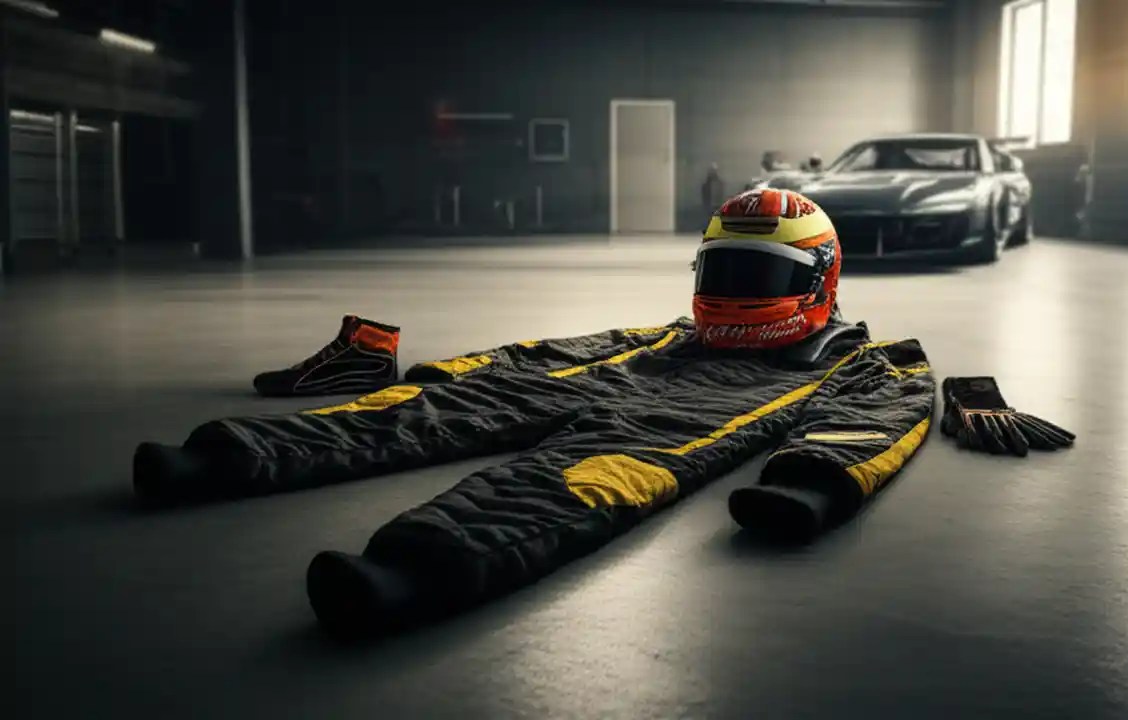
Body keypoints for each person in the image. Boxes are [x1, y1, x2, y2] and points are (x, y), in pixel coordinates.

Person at [132, 189, 936, 638]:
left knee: (570, 483)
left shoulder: (865, 359)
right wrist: (466, 372)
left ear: (820, 280)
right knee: (441, 410)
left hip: (706, 411)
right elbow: (556, 352)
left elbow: (882, 418)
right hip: (641, 372)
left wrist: (814, 483)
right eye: (728, 268)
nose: (739, 288)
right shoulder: (665, 334)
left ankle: (412, 574)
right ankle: (219, 460)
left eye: (761, 275)